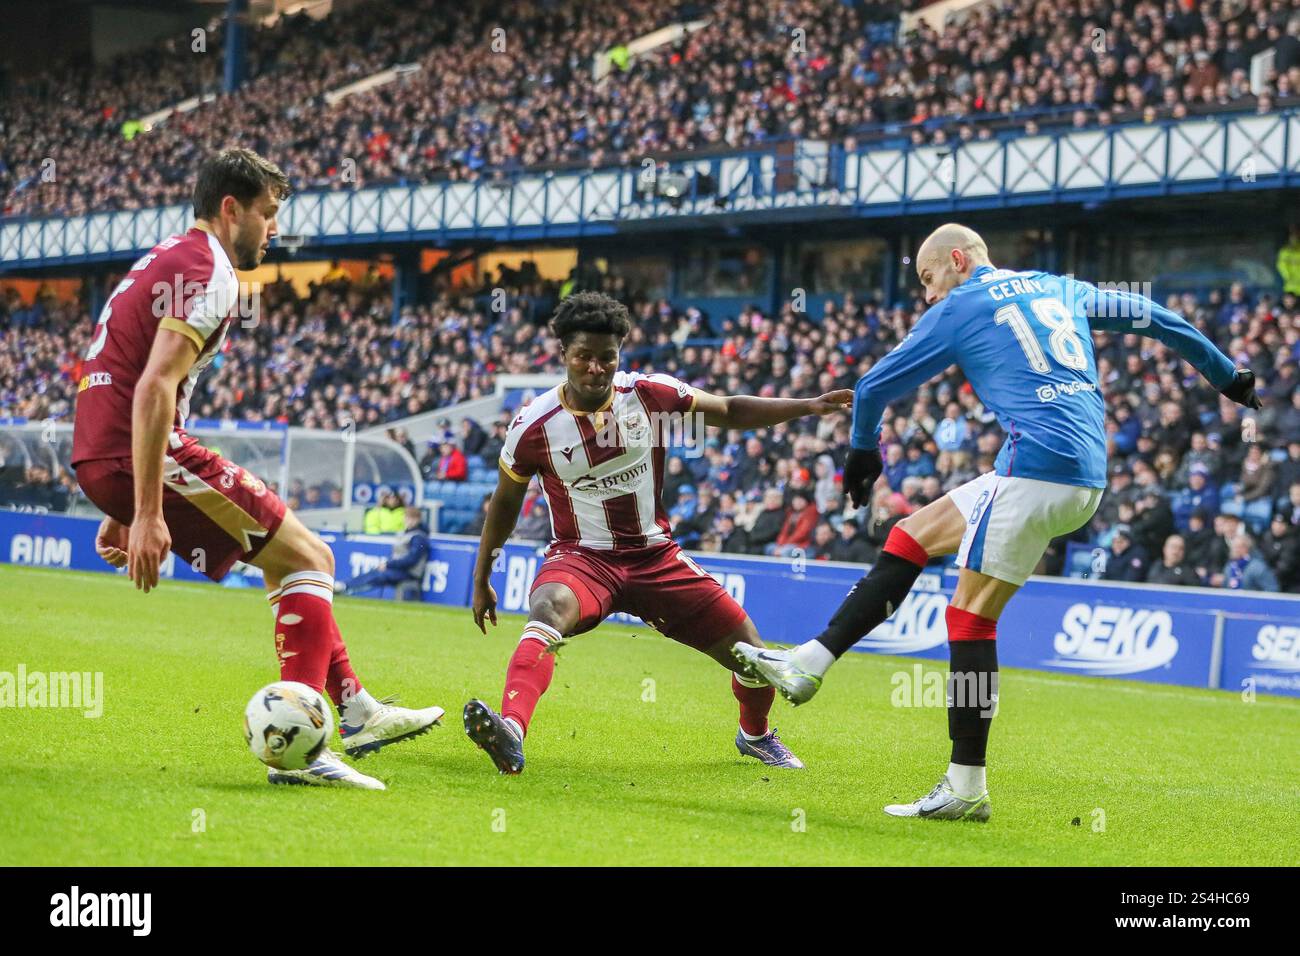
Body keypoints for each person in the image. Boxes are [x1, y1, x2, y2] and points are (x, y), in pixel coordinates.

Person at [734, 222, 1260, 822]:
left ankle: (963, 784)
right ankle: (809, 664)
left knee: (968, 618)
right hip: (1080, 471)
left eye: (929, 279)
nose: (929, 295)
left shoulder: (960, 307)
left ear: (958, 260)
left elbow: (874, 384)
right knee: (910, 536)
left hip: (1035, 468)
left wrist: (864, 451)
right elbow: (1156, 318)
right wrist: (1228, 377)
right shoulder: (1059, 288)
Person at [69, 149, 443, 791]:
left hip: (105, 454)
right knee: (310, 559)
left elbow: (122, 372)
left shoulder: (166, 258)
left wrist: (117, 501)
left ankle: (353, 710)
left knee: (294, 560)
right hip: (135, 456)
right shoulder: (208, 269)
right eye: (268, 216)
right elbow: (154, 386)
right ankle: (303, 750)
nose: (274, 231)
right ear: (230, 208)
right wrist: (146, 510)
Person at [464, 291, 852, 774]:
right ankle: (511, 730)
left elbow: (730, 410)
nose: (596, 368)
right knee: (548, 611)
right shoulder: (534, 427)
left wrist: (809, 406)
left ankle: (755, 735)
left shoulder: (649, 397)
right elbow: (505, 502)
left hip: (655, 558)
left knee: (753, 656)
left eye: (607, 357)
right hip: (582, 559)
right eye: (584, 356)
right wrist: (482, 577)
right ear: (562, 353)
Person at [337, 507, 430, 599]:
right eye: (406, 517)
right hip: (398, 569)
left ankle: (347, 589)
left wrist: (389, 564)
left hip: (409, 572)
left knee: (380, 576)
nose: (408, 520)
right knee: (375, 572)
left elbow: (411, 559)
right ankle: (345, 585)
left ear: (417, 519)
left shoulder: (418, 537)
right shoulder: (406, 534)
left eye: (411, 518)